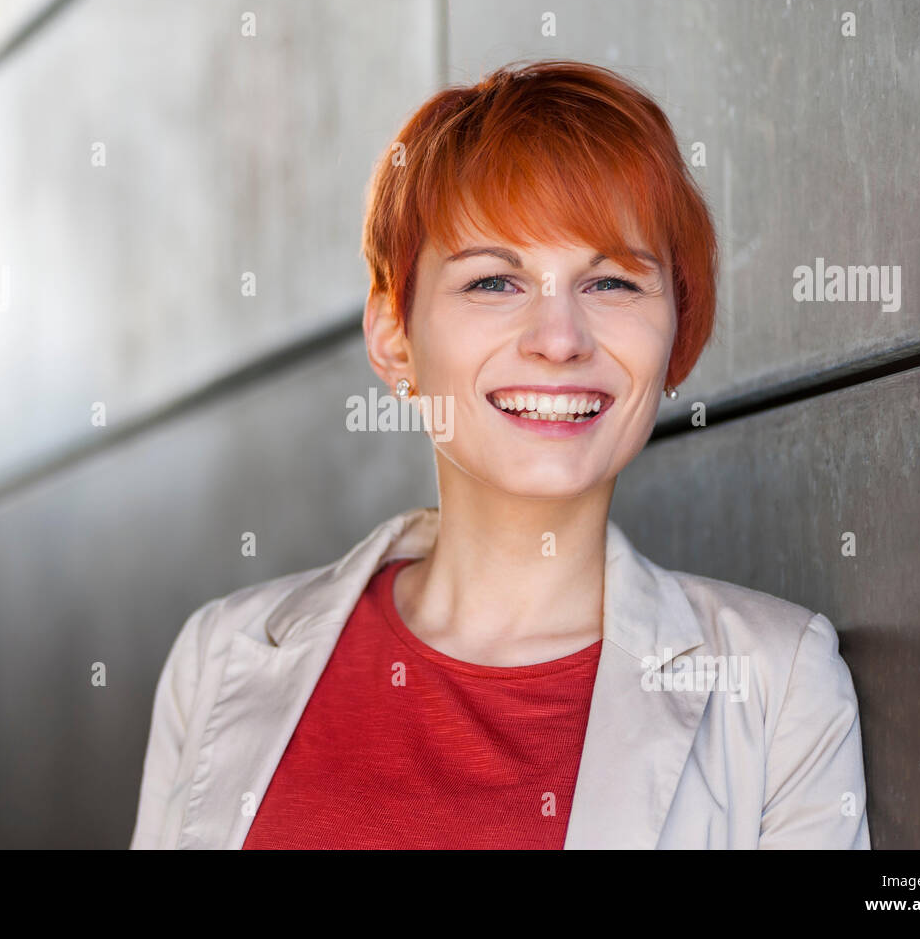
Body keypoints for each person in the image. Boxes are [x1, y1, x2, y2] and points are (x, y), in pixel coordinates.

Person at [130, 59, 870, 849]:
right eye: (494, 282)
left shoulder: (779, 686)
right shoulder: (220, 656)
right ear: (393, 336)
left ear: (674, 337)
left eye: (613, 283)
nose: (560, 340)